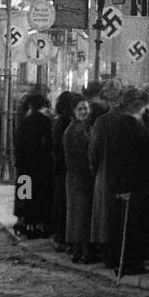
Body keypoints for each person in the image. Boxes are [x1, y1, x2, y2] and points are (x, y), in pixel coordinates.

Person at [89, 87, 149, 273]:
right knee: (129, 226)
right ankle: (127, 263)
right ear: (136, 105)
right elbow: (129, 158)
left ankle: (120, 260)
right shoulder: (129, 125)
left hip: (123, 182)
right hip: (130, 183)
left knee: (121, 224)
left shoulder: (125, 123)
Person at [13, 92, 54, 237]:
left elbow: (18, 145)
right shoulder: (46, 122)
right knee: (39, 196)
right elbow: (49, 145)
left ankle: (23, 222)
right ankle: (38, 226)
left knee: (24, 195)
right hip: (41, 167)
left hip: (24, 166)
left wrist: (18, 162)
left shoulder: (24, 122)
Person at [62, 98, 95, 263]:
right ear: (74, 111)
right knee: (79, 215)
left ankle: (82, 250)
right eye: (81, 109)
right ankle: (80, 250)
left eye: (86, 108)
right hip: (78, 177)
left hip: (83, 177)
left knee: (82, 215)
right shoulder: (73, 131)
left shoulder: (86, 128)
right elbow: (75, 157)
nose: (84, 112)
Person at [51, 91, 78, 250]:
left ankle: (59, 237)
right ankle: (62, 238)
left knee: (61, 203)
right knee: (64, 204)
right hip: (65, 168)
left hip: (59, 168)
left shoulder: (59, 122)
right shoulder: (67, 123)